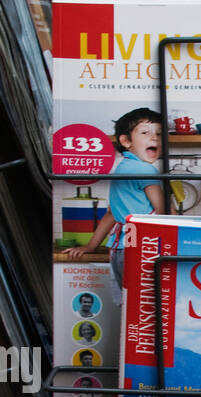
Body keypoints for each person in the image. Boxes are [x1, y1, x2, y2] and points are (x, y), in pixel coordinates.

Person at [66, 108, 167, 291]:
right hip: (143, 250)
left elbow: (112, 214)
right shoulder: (145, 171)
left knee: (128, 307)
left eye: (159, 134)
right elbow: (165, 213)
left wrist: (91, 245)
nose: (154, 138)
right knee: (148, 308)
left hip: (120, 251)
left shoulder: (123, 168)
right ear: (126, 141)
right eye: (145, 132)